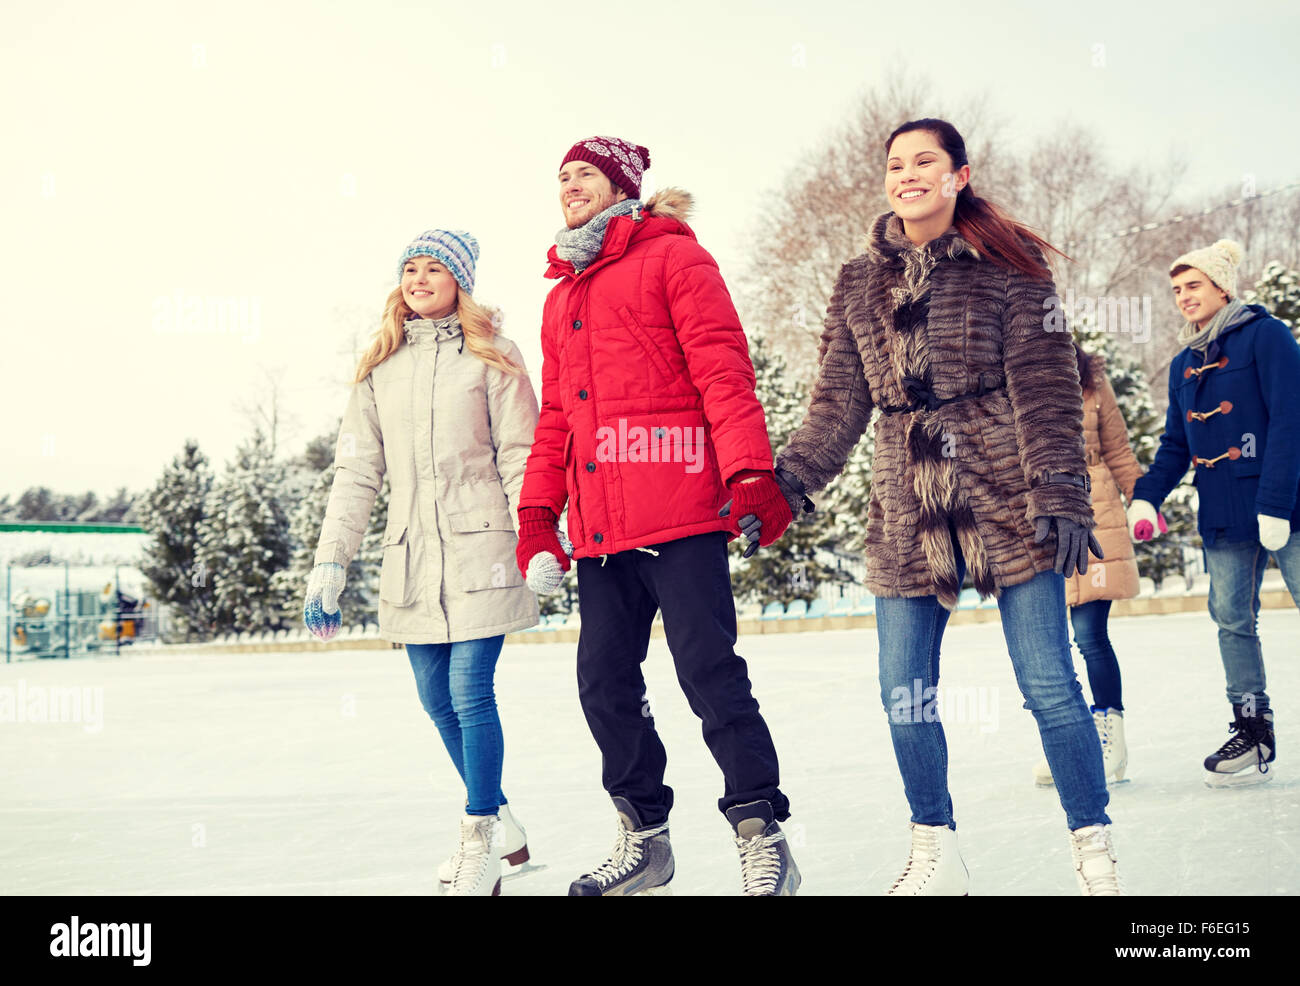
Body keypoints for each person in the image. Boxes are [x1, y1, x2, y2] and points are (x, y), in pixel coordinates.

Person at [773, 118, 1122, 895]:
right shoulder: (857, 282)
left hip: (1006, 491)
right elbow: (839, 401)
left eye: (924, 160)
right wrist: (789, 479)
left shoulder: (1011, 267)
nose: (907, 174)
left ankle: (1092, 847)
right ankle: (936, 846)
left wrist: (1061, 492)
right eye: (895, 163)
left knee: (1049, 686)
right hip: (906, 501)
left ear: (959, 174)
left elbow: (1047, 388)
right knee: (903, 691)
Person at [514, 135, 800, 896]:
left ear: (621, 188)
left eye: (584, 174)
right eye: (562, 177)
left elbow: (721, 367)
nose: (569, 185)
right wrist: (539, 512)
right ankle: (645, 840)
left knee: (709, 674)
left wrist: (748, 470)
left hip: (680, 514)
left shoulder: (676, 259)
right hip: (604, 529)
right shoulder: (561, 297)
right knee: (604, 684)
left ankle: (758, 830)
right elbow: (555, 421)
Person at [304, 230, 541, 896]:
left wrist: (537, 536)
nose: (418, 278)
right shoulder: (380, 366)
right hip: (410, 556)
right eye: (410, 267)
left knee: (470, 689)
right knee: (435, 698)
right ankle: (505, 822)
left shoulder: (493, 355)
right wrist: (331, 564)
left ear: (459, 281)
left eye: (434, 267)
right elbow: (355, 472)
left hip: (483, 549)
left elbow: (523, 453)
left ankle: (479, 841)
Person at [1128, 239, 1300, 787]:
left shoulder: (1266, 336)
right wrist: (1147, 495)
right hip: (1224, 514)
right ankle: (1253, 730)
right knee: (1231, 621)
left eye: (1193, 285)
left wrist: (1275, 503)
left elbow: (1290, 422)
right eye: (1176, 290)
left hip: (1286, 507)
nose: (1183, 297)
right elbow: (1177, 445)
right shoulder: (1185, 363)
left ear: (1222, 286)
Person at [1033, 342, 1147, 789]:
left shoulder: (1093, 383)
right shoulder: (1015, 382)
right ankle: (1070, 742)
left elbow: (1118, 450)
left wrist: (1143, 502)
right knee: (1048, 643)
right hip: (1041, 520)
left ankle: (1109, 740)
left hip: (1096, 518)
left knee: (1089, 635)